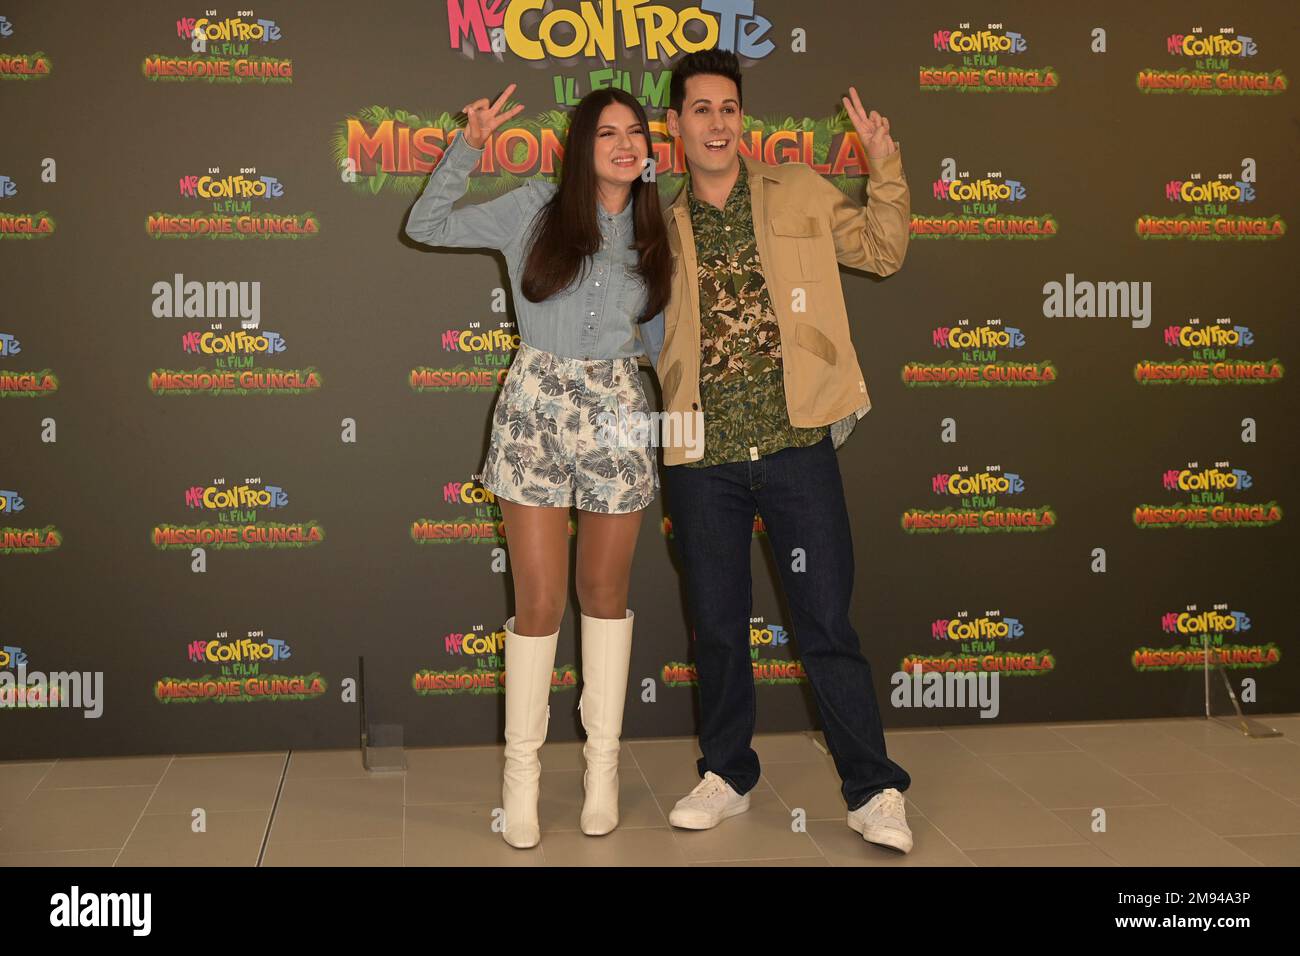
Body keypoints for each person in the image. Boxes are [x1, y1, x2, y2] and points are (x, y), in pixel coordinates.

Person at [644, 49, 916, 852]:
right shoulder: (656, 223)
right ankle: (727, 773)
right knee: (719, 626)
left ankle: (873, 790)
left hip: (799, 443)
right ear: (675, 125)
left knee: (825, 622)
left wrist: (884, 162)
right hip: (699, 455)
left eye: (728, 108)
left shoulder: (796, 186)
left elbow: (883, 250)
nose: (717, 123)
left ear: (742, 119)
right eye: (700, 109)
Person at [403, 84, 671, 848]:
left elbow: (660, 344)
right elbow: (425, 224)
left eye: (636, 133)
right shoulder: (534, 207)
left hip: (619, 411)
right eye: (609, 132)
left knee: (605, 594)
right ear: (582, 145)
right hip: (535, 406)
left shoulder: (657, 229)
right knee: (543, 602)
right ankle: (521, 780)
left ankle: (603, 770)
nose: (625, 144)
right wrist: (469, 145)